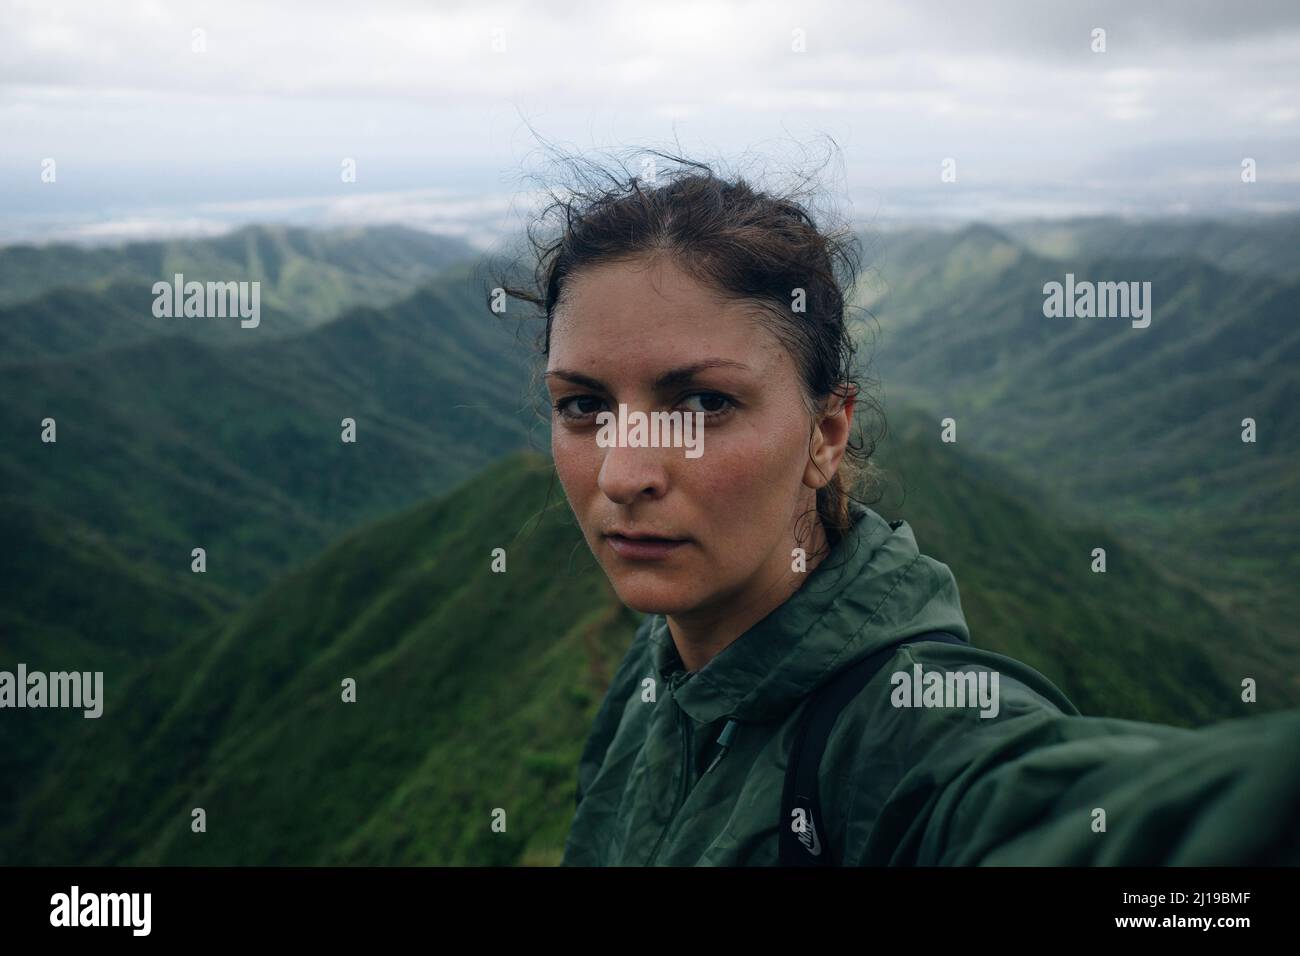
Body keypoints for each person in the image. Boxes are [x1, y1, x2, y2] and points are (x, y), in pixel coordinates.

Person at [495, 148, 1300, 866]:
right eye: (582, 406)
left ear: (826, 432)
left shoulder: (906, 735)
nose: (622, 471)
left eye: (704, 401)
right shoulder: (657, 667)